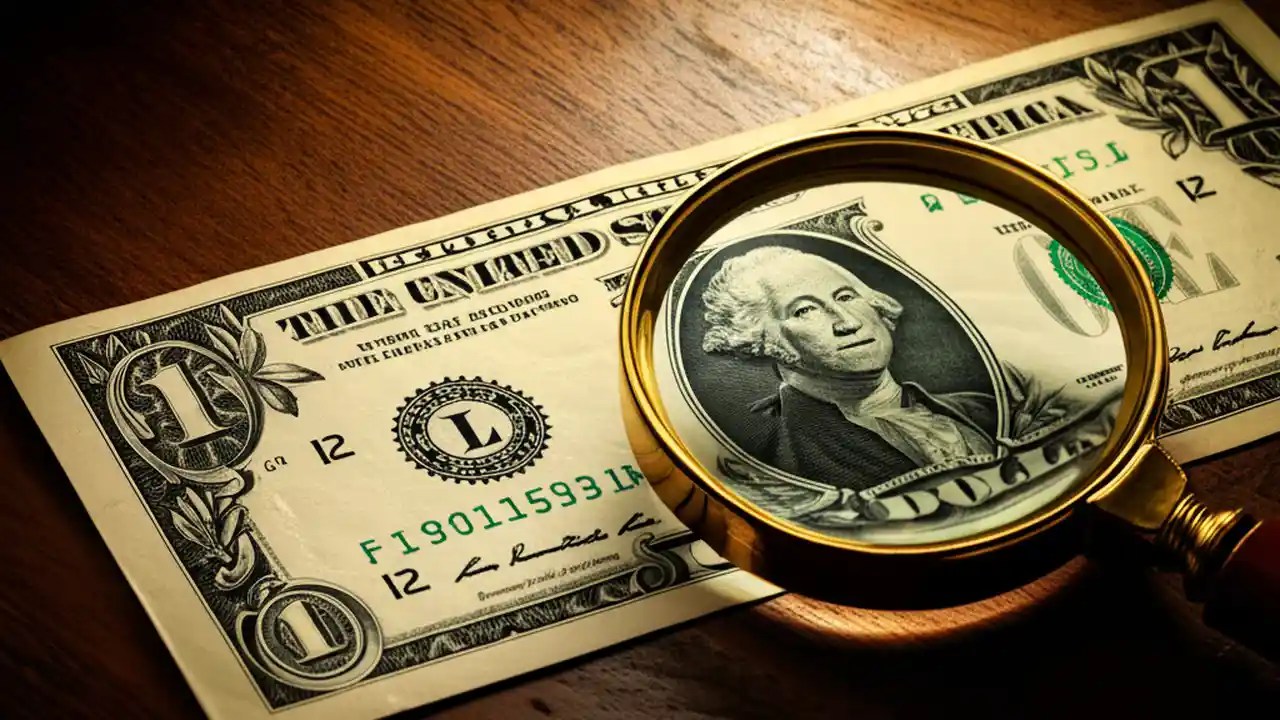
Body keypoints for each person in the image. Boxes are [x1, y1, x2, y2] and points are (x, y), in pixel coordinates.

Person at [700, 245, 997, 493]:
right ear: (759, 338)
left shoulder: (983, 409)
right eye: (805, 309)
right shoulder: (770, 455)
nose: (848, 322)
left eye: (846, 297)